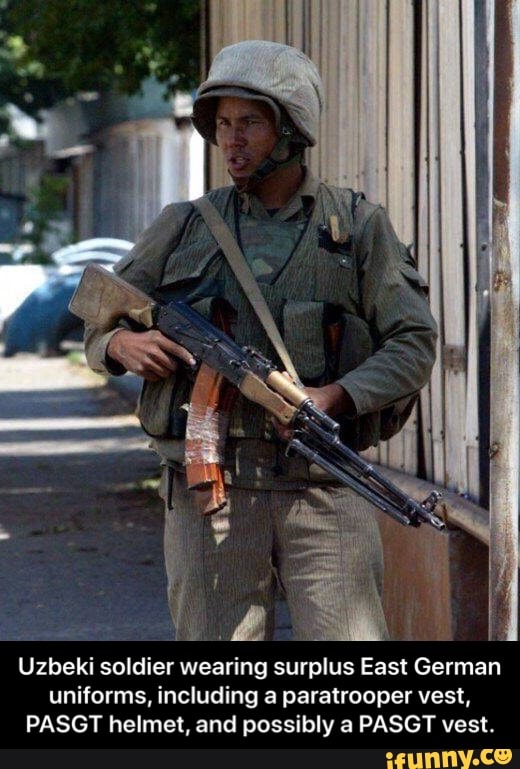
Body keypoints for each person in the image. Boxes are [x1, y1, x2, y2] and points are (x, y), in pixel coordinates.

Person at [83, 40, 437, 642]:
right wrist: (119, 345)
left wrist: (334, 397)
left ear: (290, 129)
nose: (232, 140)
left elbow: (413, 342)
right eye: (223, 124)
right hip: (209, 493)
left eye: (249, 122)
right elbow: (100, 311)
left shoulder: (355, 228)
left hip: (324, 488)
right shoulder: (185, 225)